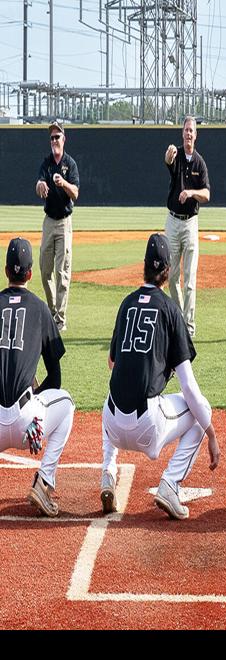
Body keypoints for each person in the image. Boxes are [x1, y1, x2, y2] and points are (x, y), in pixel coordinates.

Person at [100, 234, 222, 520]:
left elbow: (112, 362)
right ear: (168, 270)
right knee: (199, 409)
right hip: (147, 426)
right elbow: (188, 386)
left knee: (112, 394)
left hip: (113, 425)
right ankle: (170, 484)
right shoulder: (169, 309)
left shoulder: (127, 303)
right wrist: (212, 434)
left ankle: (107, 472)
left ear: (144, 266)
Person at [0, 238, 74, 517]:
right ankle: (44, 482)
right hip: (25, 426)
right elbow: (55, 377)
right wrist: (36, 413)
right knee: (66, 403)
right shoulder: (42, 309)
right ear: (30, 274)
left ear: (6, 270)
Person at [162, 115, 211, 337]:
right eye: (185, 130)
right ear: (182, 133)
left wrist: (191, 192)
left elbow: (207, 193)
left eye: (191, 130)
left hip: (190, 223)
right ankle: (179, 319)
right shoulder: (177, 156)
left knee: (190, 280)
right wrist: (169, 154)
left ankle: (189, 327)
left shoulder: (199, 162)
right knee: (171, 276)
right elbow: (168, 161)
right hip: (173, 222)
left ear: (196, 134)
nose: (188, 134)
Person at [35, 121, 80, 332]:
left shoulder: (70, 164)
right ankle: (53, 310)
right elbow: (39, 183)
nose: (54, 140)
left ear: (64, 139)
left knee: (63, 272)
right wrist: (40, 185)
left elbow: (76, 193)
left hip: (64, 222)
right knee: (45, 269)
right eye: (52, 137)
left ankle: (60, 318)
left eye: (57, 136)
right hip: (48, 221)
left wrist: (64, 183)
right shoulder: (46, 163)